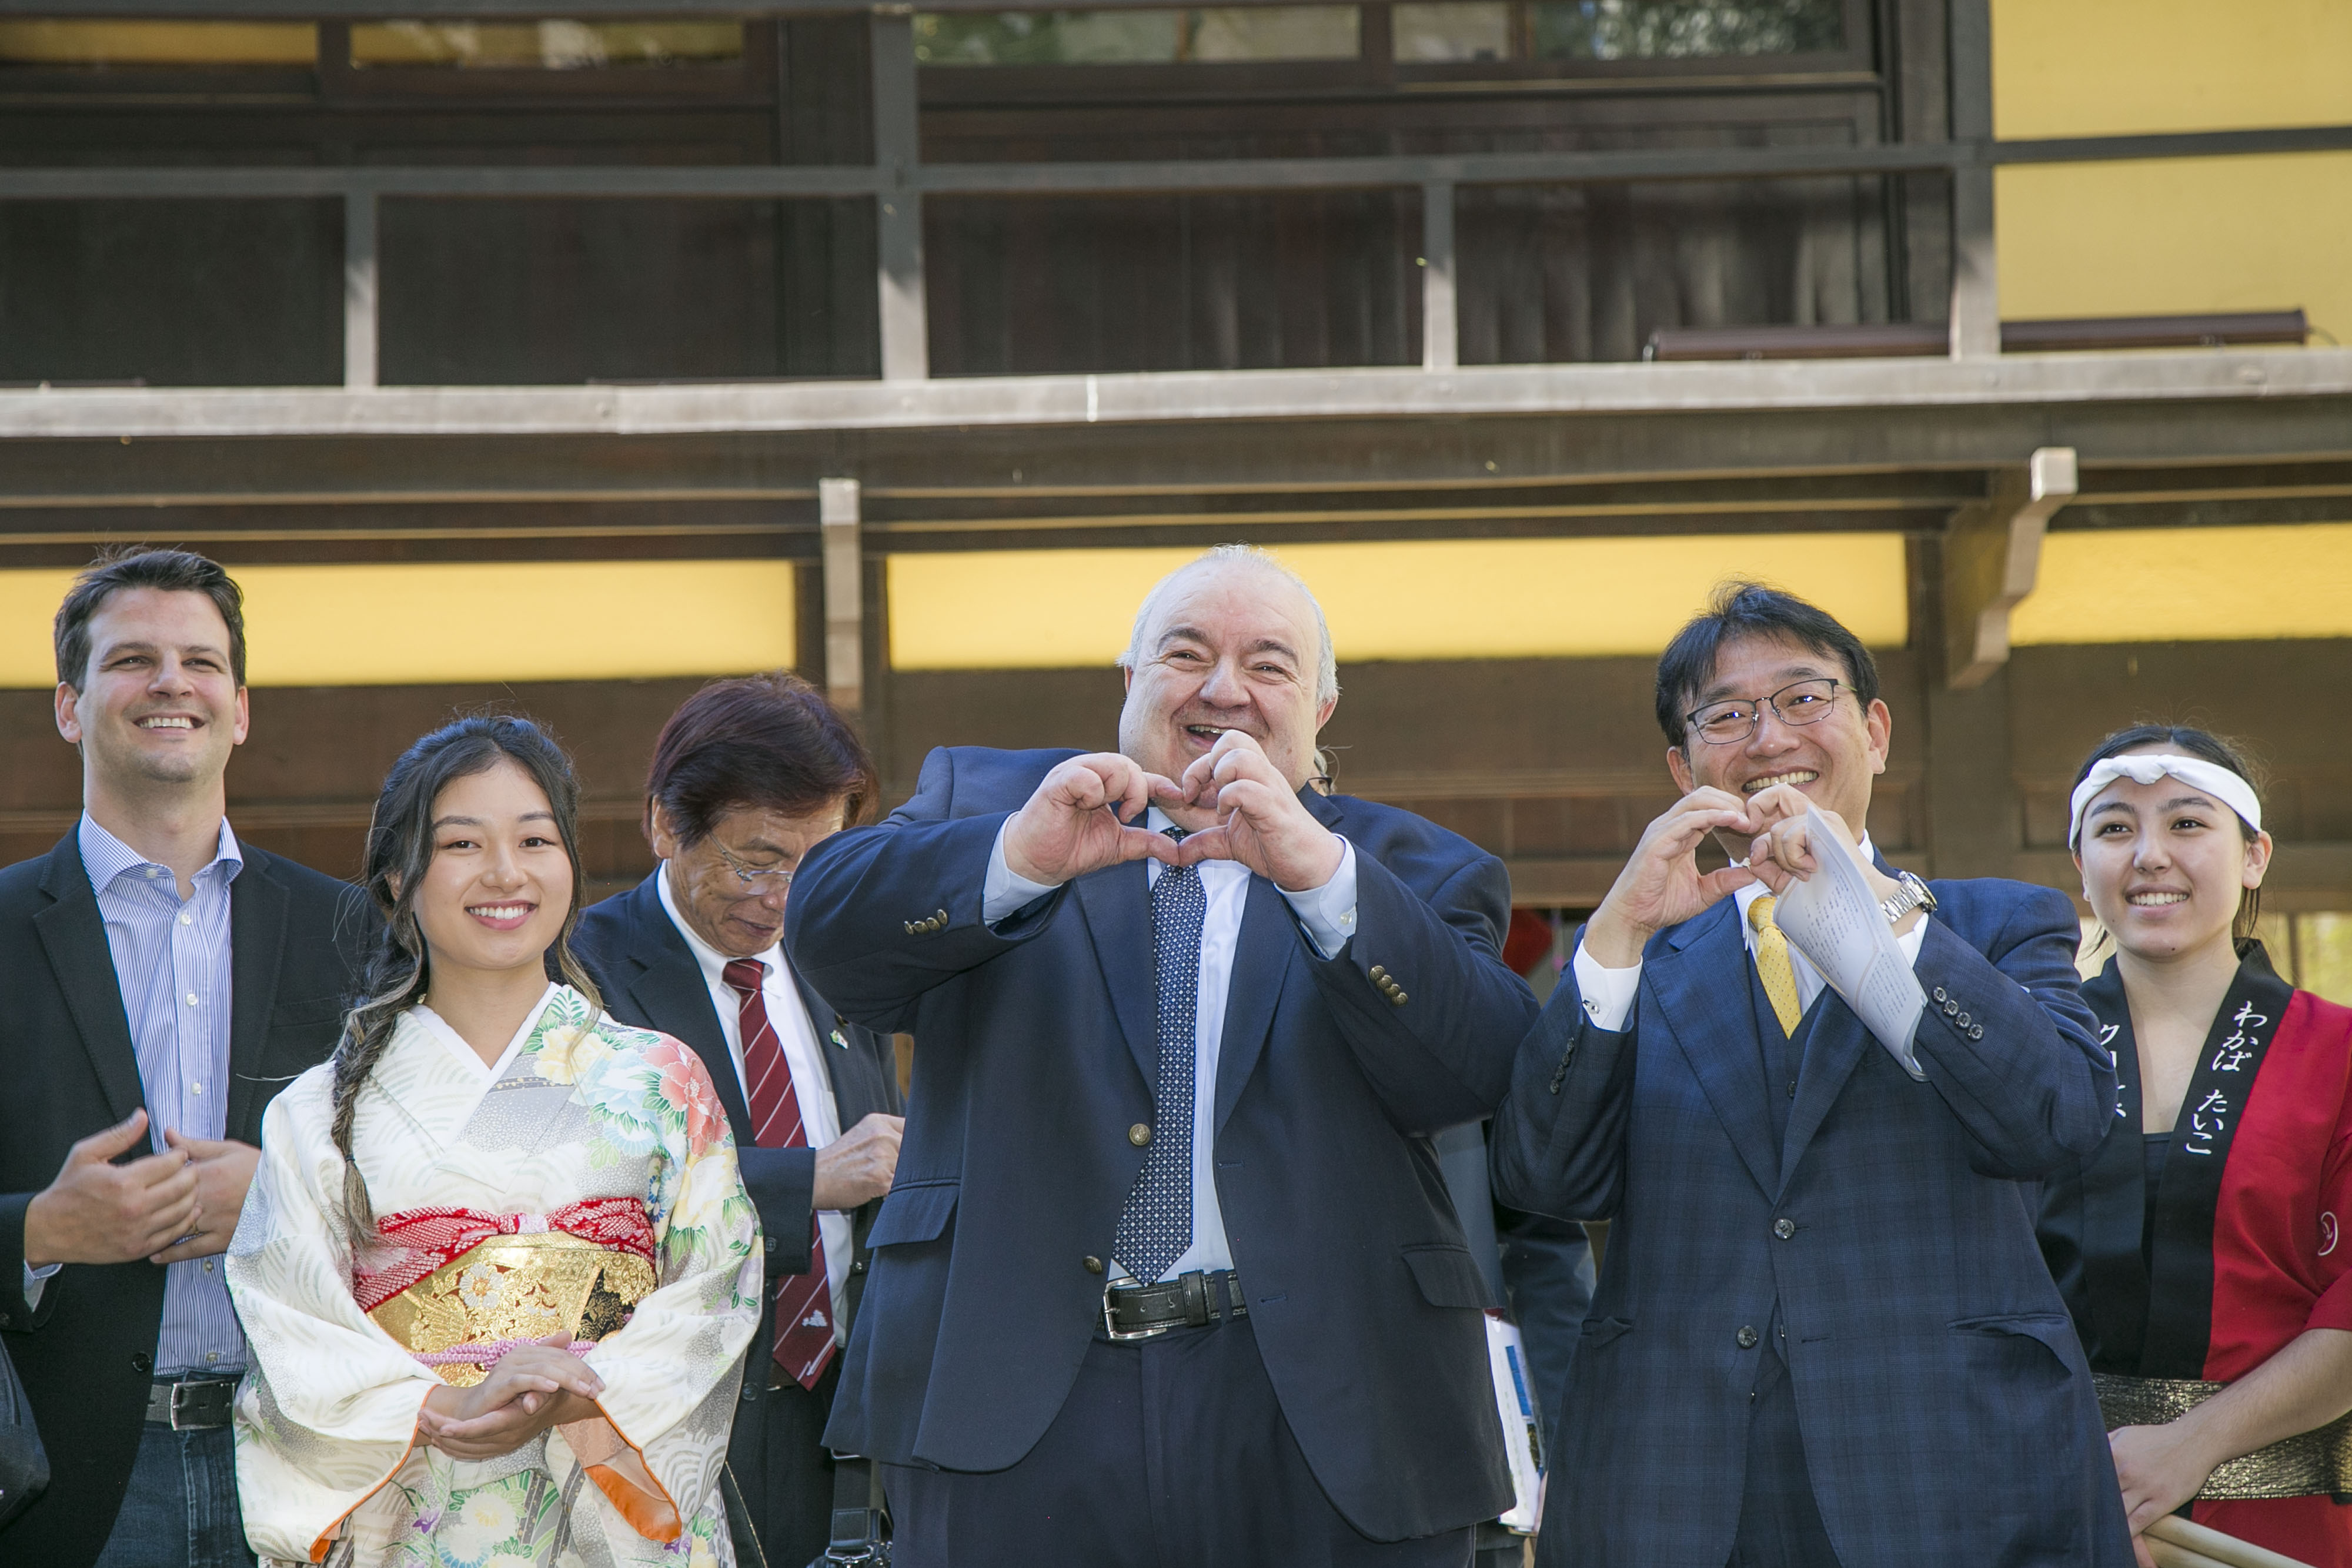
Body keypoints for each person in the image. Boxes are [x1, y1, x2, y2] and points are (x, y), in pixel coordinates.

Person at [786, 544, 1541, 1567]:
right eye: (1186, 654)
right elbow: (825, 929)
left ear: (1320, 714)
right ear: (1130, 682)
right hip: (1017, 1394)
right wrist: (1018, 860)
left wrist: (1322, 881)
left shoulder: (1412, 868)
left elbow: (1486, 1070)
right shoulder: (995, 799)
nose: (1223, 689)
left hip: (1331, 1405)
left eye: (1269, 665)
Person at [1488, 581, 2133, 1568]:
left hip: (1956, 1472)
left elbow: (2061, 1119)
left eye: (1803, 700)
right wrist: (1614, 937)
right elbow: (1543, 1179)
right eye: (1728, 716)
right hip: (1678, 1487)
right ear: (1684, 765)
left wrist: (1879, 909)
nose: (1770, 738)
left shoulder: (1998, 922)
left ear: (1874, 731)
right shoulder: (1645, 958)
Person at [225, 716, 760, 1567]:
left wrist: (580, 1395)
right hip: (420, 1510)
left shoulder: (659, 1078)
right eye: (463, 844)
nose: (505, 874)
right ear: (399, 878)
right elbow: (294, 1325)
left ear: (570, 866)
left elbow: (717, 1293)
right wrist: (445, 1406)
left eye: (536, 840)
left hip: (606, 1494)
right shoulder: (318, 1108)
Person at [0, 549, 377, 1568]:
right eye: (134, 659)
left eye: (201, 662)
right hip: (64, 1486)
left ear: (241, 708)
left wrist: (286, 1191)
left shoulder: (352, 930)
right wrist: (38, 1229)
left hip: (309, 1463)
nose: (172, 683)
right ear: (70, 707)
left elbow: (429, 1186)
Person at [572, 673, 904, 1568]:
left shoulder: (842, 956)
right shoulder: (582, 975)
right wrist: (811, 1182)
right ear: (664, 827)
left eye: (819, 861)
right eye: (755, 861)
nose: (783, 898)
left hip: (848, 1426)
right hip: (675, 1425)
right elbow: (587, 1192)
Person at [2038, 727, 2352, 1567]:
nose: (2148, 856)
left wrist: (2189, 1446)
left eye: (2186, 824)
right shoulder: (2026, 1052)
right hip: (2064, 1505)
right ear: (2080, 865)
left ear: (2254, 857)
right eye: (2113, 829)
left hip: (2279, 1521)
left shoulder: (2343, 1054)